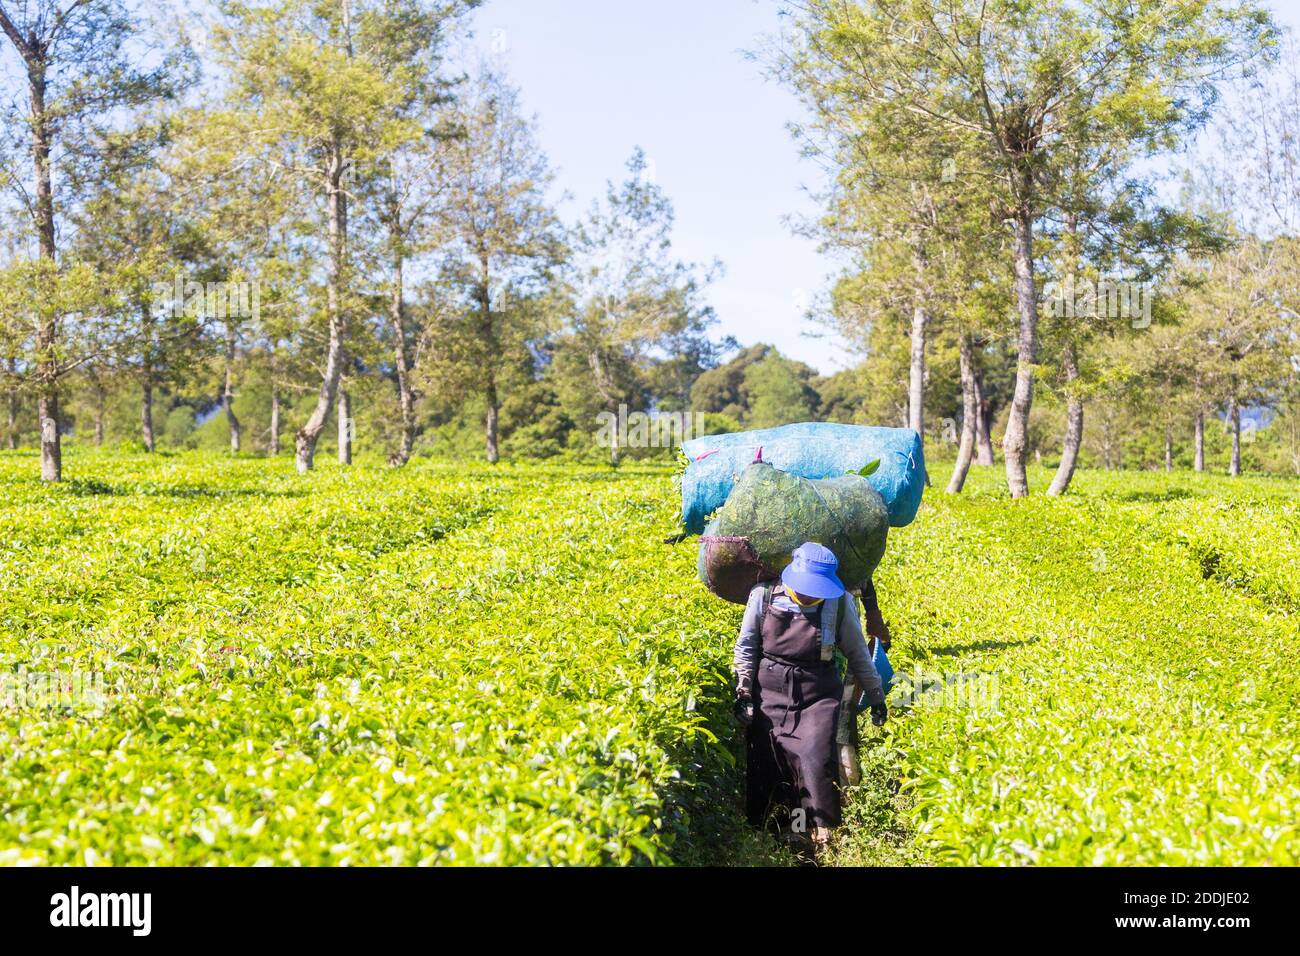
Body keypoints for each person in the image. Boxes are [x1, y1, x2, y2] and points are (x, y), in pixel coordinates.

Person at [734, 542, 887, 850]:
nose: (808, 595)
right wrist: (744, 690)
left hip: (818, 691)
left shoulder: (838, 603)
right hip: (770, 687)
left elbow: (858, 654)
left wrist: (877, 696)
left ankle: (817, 831)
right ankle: (774, 832)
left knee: (815, 757)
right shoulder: (764, 596)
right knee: (770, 759)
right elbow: (747, 647)